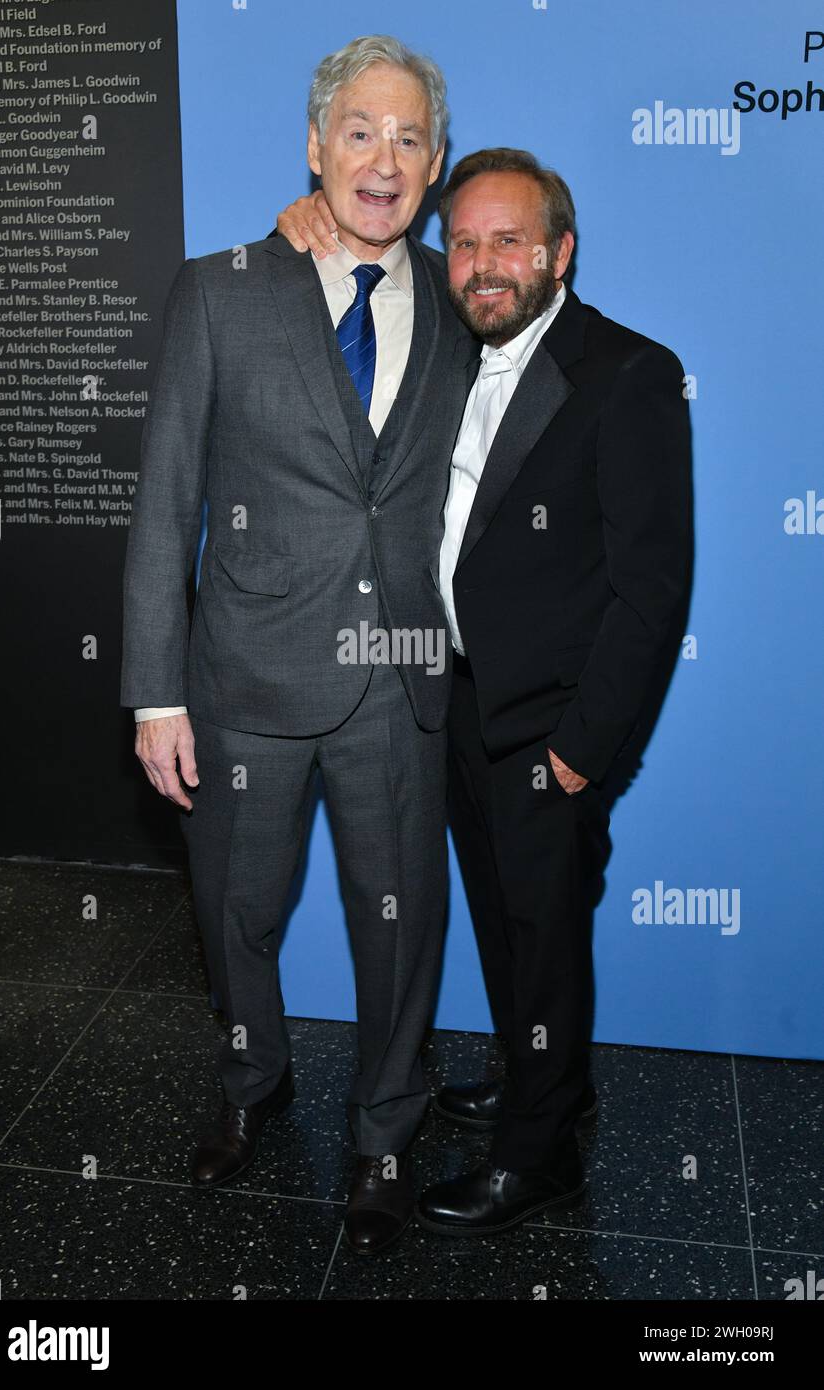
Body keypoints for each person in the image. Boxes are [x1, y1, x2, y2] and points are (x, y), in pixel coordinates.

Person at [277, 147, 692, 1235]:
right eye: (462, 242)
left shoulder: (626, 373)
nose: (481, 263)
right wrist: (307, 219)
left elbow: (650, 591)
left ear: (559, 251)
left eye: (507, 240)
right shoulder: (453, 352)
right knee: (506, 929)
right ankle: (538, 1083)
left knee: (543, 935)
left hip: (549, 728)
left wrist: (579, 748)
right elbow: (359, 266)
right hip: (453, 704)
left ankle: (537, 1155)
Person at [120, 34, 475, 1256]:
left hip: (398, 684)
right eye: (360, 133)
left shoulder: (458, 303)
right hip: (242, 684)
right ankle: (249, 1078)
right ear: (316, 146)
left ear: (433, 164)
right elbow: (166, 498)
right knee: (236, 916)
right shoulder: (220, 286)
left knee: (399, 928)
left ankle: (384, 1128)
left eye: (409, 137)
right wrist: (154, 692)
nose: (383, 159)